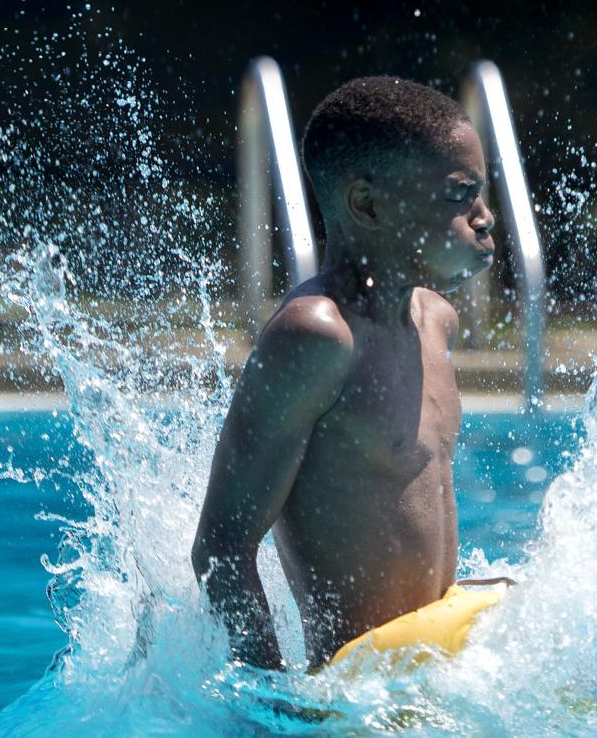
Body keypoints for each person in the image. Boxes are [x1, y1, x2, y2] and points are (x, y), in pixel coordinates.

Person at [192, 76, 500, 671]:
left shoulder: (436, 321)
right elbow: (221, 549)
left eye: (481, 193)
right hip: (358, 699)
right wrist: (273, 712)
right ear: (367, 204)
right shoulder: (316, 336)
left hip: (438, 671)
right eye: (460, 194)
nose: (484, 217)